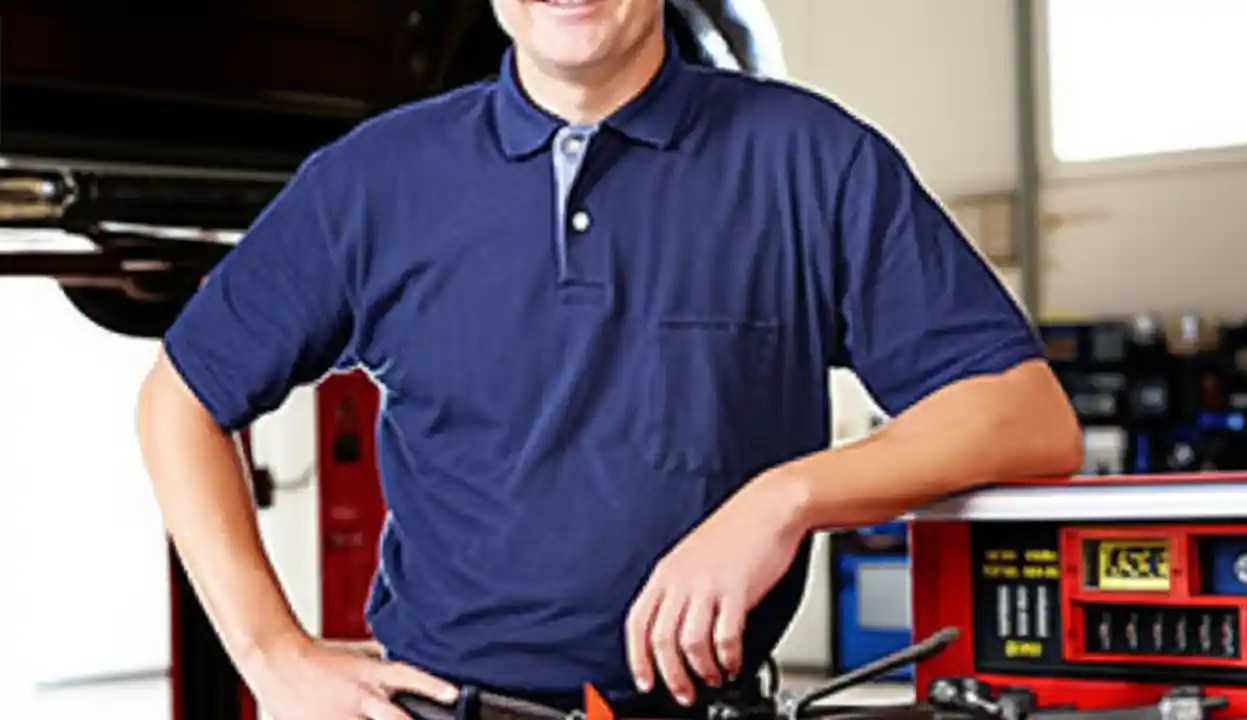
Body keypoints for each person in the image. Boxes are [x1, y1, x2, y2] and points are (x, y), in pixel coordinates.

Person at [135, 1, 1084, 719]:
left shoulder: (811, 161)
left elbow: (1025, 416)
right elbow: (181, 398)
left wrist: (785, 499)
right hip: (438, 706)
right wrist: (268, 653)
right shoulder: (374, 180)